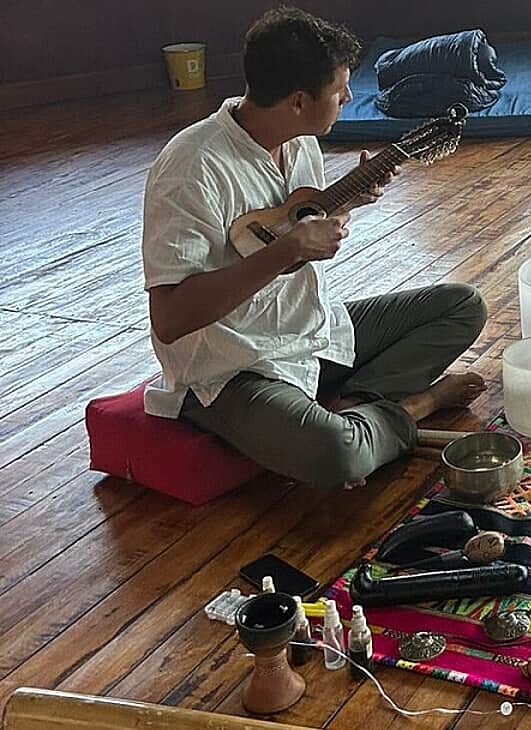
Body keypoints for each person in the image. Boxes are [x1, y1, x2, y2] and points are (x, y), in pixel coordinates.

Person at [141, 6, 486, 489]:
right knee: (338, 454)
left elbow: (297, 232)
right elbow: (170, 319)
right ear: (299, 101)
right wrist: (284, 252)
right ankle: (411, 408)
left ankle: (357, 408)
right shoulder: (191, 167)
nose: (349, 96)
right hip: (231, 368)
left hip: (310, 330)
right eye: (339, 90)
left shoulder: (300, 141)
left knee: (463, 306)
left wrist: (345, 207)